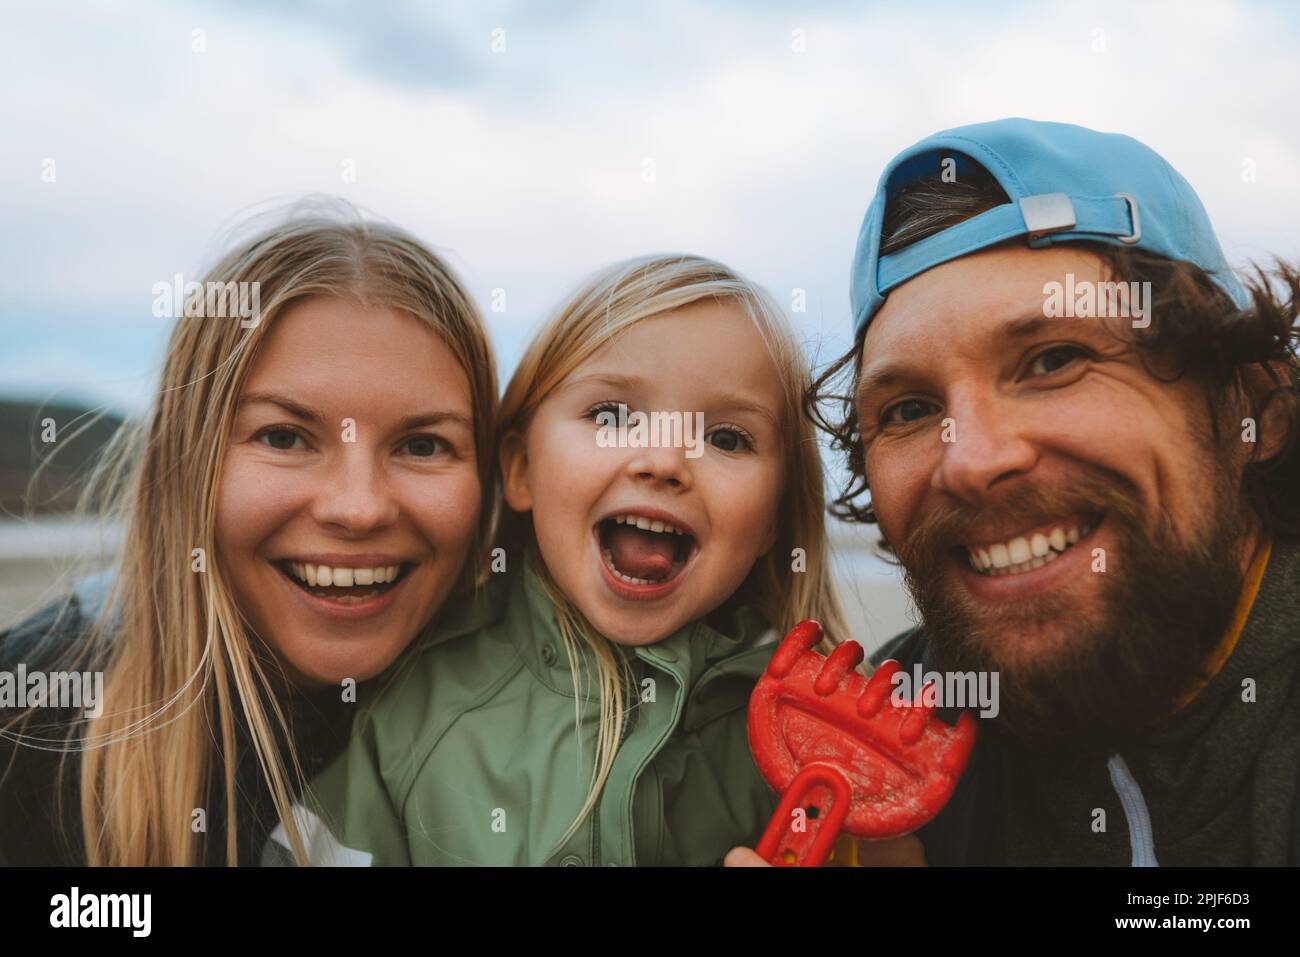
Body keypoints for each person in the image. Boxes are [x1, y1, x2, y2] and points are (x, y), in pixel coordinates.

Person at [735, 118, 1299, 867]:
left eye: (1052, 360)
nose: (968, 460)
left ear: (1250, 410)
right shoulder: (874, 753)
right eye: (908, 409)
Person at [266, 253, 846, 865]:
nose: (664, 461)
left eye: (726, 438)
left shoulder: (807, 744)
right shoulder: (417, 707)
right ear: (520, 470)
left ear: (773, 520)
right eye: (613, 416)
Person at [0, 202, 499, 865]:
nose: (358, 509)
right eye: (285, 436)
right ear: (188, 460)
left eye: (423, 444)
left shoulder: (547, 714)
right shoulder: (31, 719)